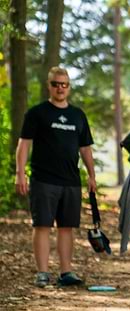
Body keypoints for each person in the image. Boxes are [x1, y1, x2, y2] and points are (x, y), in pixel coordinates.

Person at [15, 66, 97, 288]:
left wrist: (91, 175)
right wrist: (20, 173)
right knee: (42, 225)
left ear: (69, 87)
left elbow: (86, 148)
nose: (60, 88)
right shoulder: (37, 113)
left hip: (70, 180)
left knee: (67, 227)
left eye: (64, 84)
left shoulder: (78, 115)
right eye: (55, 84)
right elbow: (24, 145)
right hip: (43, 179)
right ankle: (42, 272)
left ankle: (66, 272)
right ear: (48, 86)